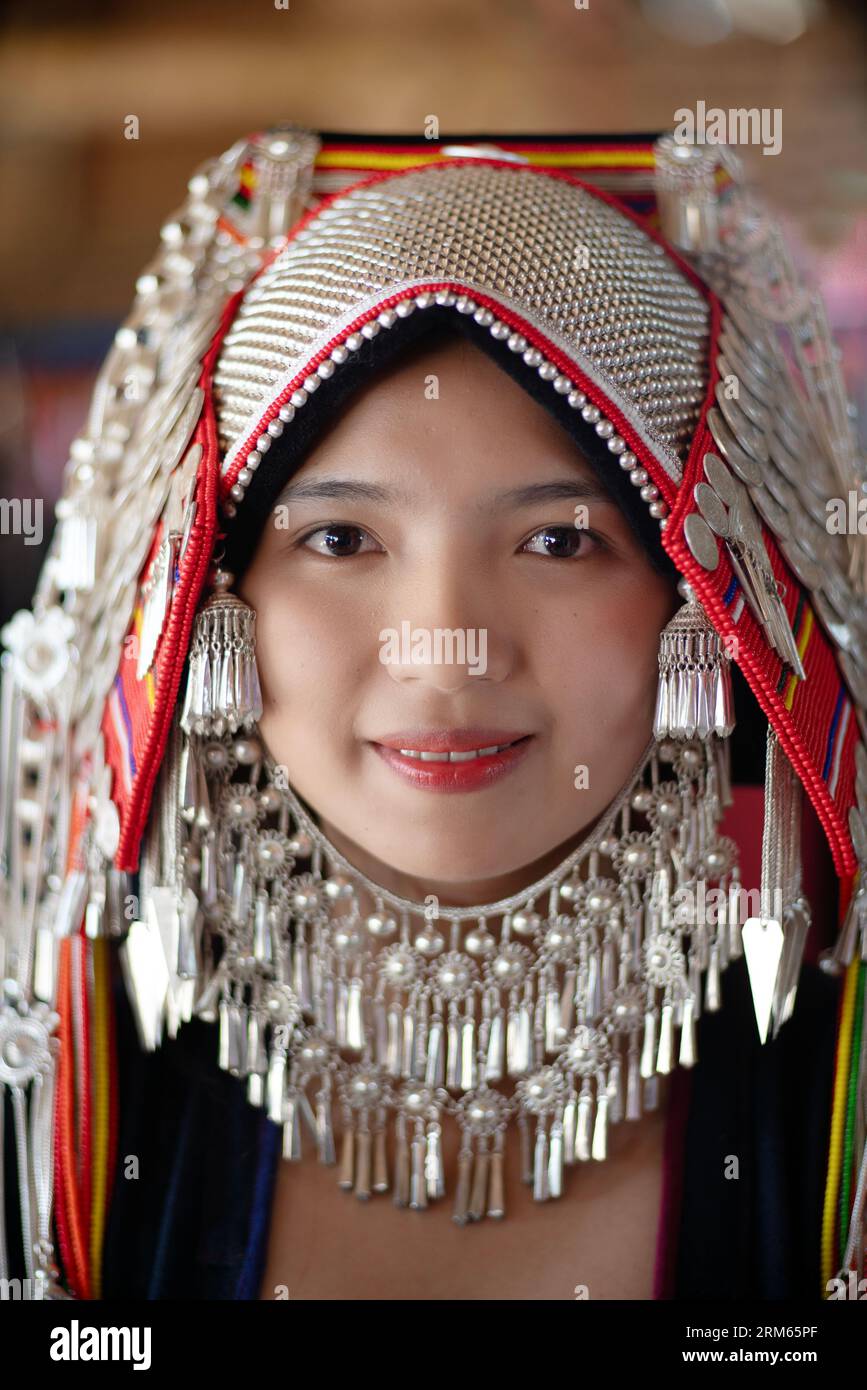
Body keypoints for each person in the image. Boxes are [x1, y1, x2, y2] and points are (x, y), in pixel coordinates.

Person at [0, 126, 864, 1303]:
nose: (445, 648)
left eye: (559, 540)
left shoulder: (834, 1104)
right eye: (341, 539)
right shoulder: (51, 1085)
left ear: (707, 603)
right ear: (210, 596)